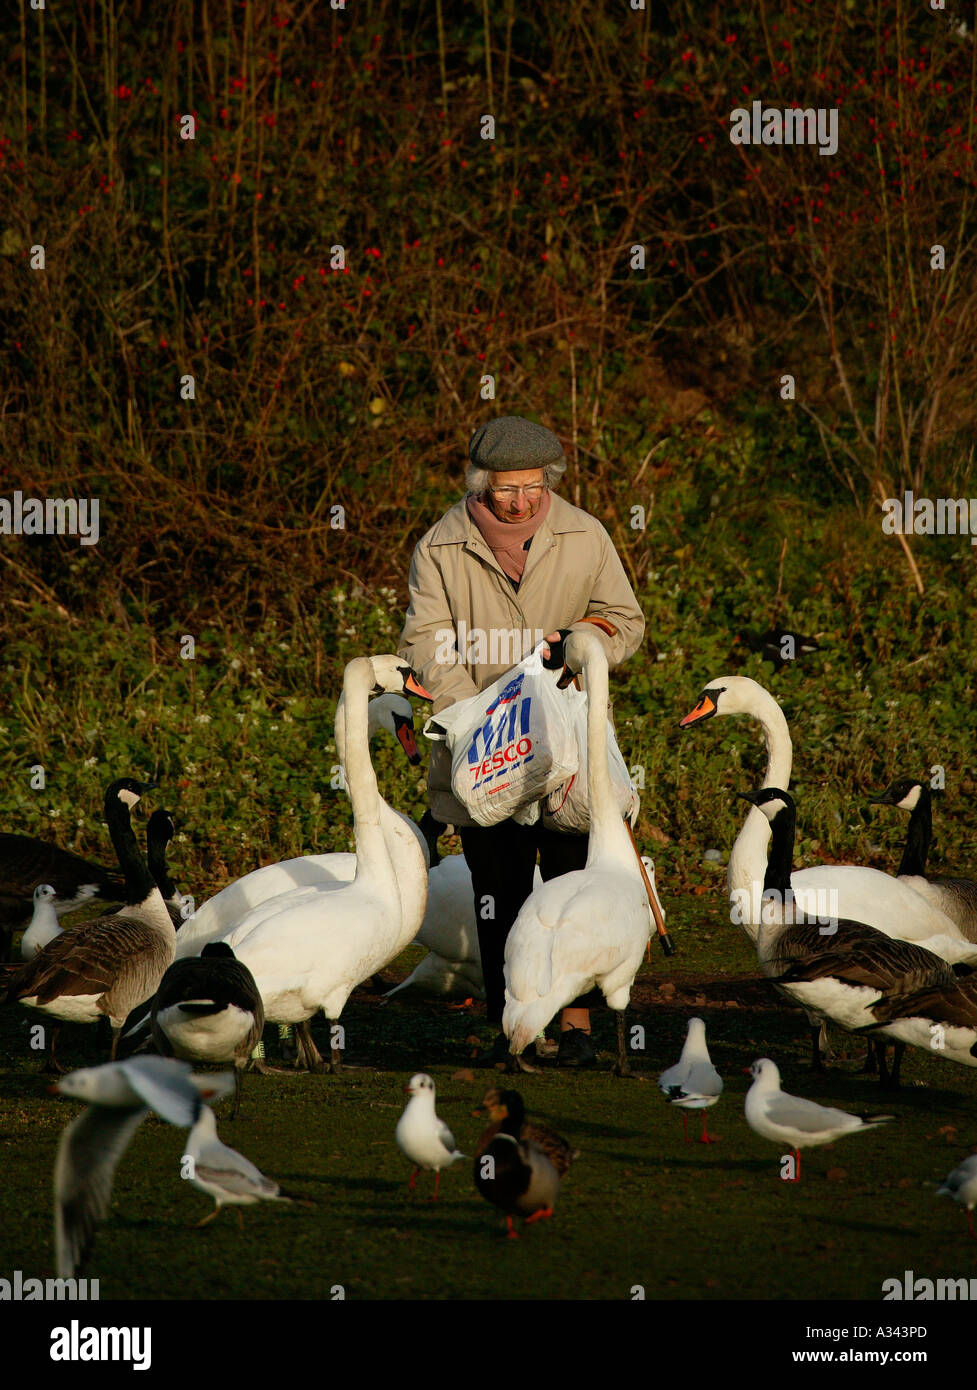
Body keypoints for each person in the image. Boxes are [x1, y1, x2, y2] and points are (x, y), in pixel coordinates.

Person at [398, 415, 644, 1066]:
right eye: (507, 488)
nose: (522, 499)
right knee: (498, 888)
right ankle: (511, 1027)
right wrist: (474, 714)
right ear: (480, 483)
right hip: (487, 751)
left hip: (567, 744)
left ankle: (577, 1030)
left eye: (533, 486)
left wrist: (582, 639)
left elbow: (625, 621)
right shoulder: (440, 547)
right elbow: (423, 642)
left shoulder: (584, 535)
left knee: (571, 881)